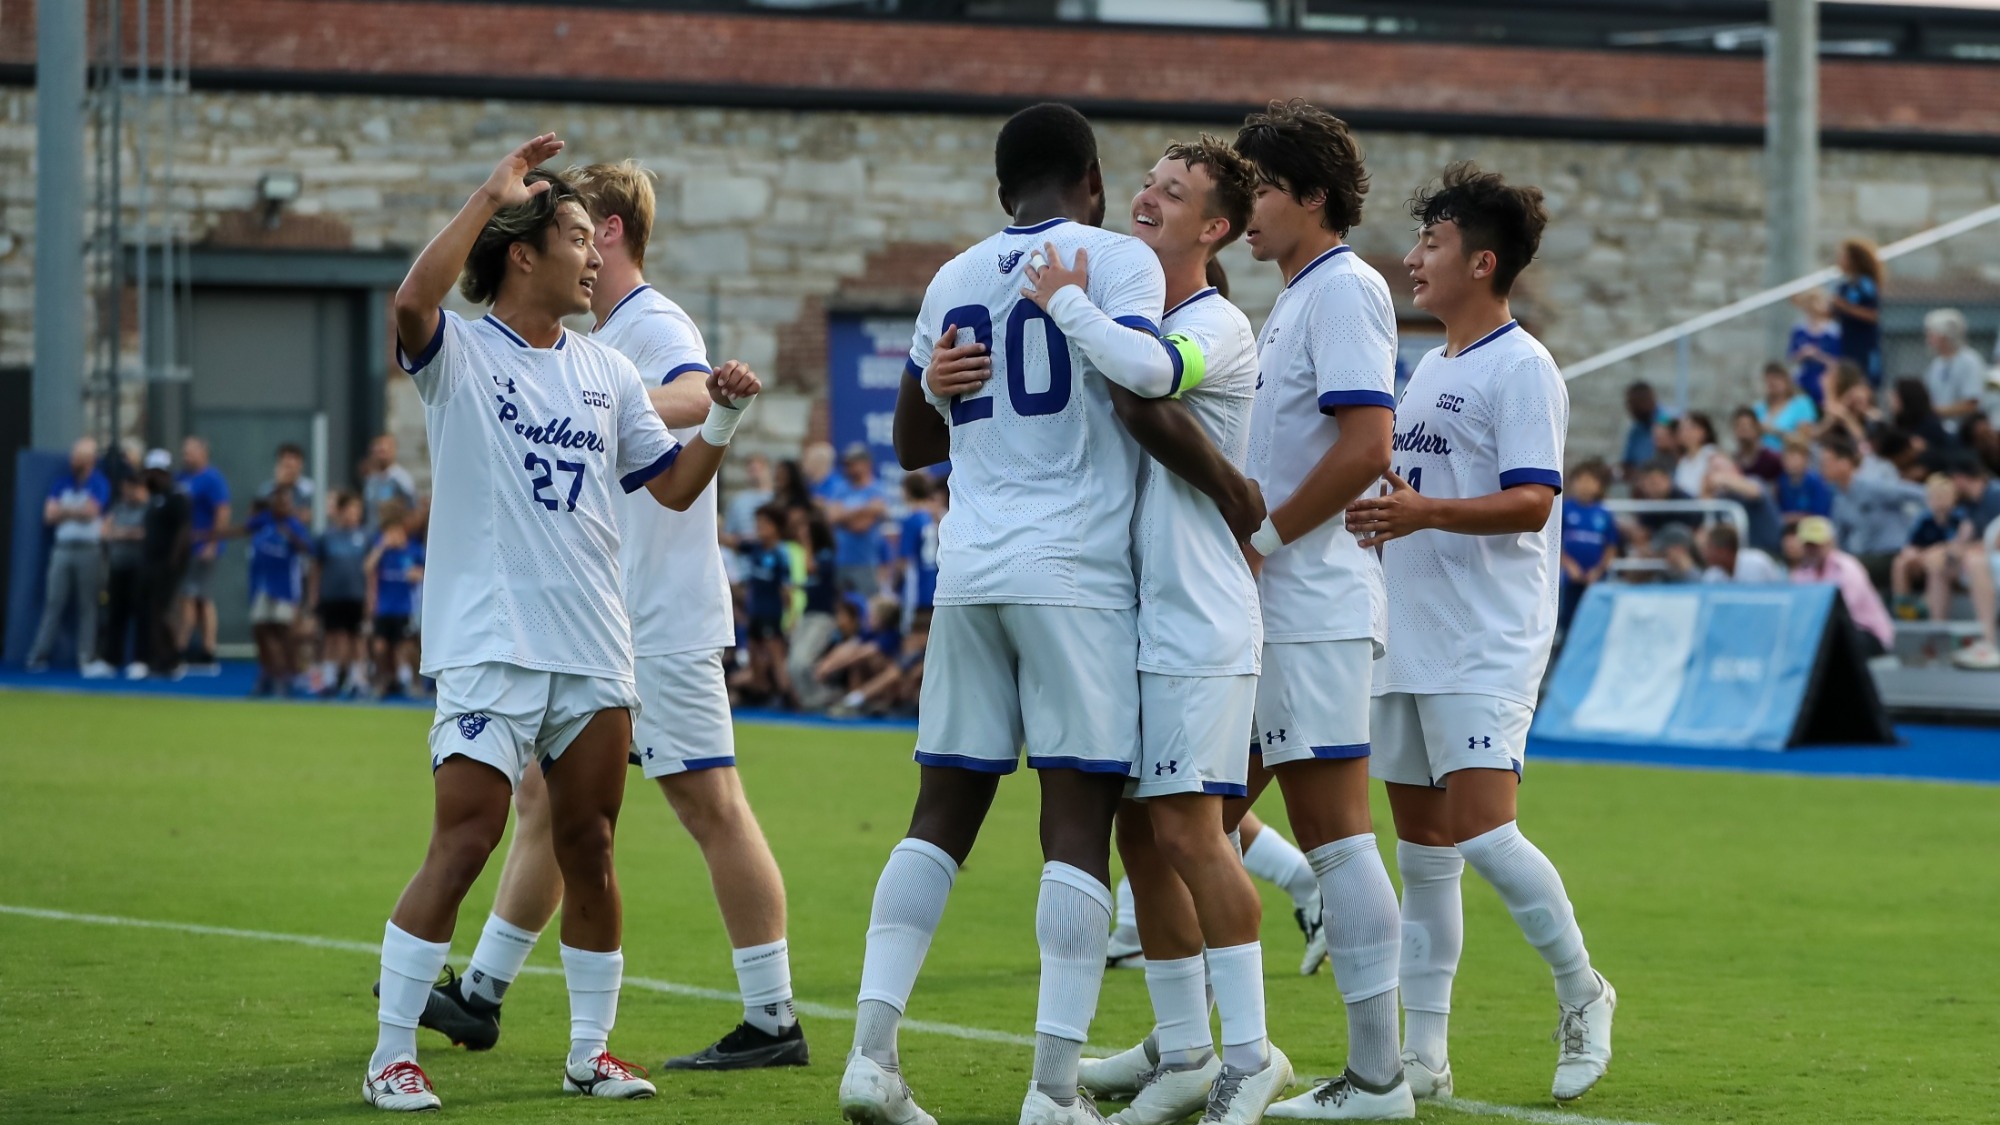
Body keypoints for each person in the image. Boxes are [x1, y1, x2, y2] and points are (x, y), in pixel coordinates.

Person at [363, 135, 752, 1111]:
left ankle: (589, 1053)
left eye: (593, 238)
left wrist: (725, 424)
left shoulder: (606, 371)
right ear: (521, 252)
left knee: (591, 847)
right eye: (576, 238)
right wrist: (485, 192)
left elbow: (670, 489)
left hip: (593, 648)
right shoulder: (459, 354)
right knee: (465, 840)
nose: (593, 256)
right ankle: (390, 1055)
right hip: (491, 643)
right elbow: (411, 305)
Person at [839, 102, 1202, 1125]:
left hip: (969, 572)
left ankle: (870, 1057)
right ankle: (1050, 1091)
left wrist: (935, 381)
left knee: (938, 816)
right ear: (1088, 179)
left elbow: (914, 441)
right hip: (1074, 573)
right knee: (1076, 823)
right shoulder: (1114, 258)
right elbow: (1138, 394)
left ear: (1002, 190)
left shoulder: (952, 275)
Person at [1019, 135, 1287, 1125]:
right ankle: (1180, 1054)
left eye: (1172, 194)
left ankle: (1249, 1057)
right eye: (1148, 184)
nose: (1145, 199)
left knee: (1187, 828)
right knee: (1138, 830)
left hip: (1197, 617)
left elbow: (1142, 377)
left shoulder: (1215, 323)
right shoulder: (1130, 306)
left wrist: (1064, 300)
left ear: (1214, 228)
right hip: (1127, 619)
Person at [1346, 161, 1616, 1107]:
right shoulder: (1429, 368)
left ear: (1483, 260)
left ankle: (1584, 989)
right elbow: (1415, 490)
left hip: (1485, 638)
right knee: (1424, 854)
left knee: (1484, 829)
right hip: (1409, 633)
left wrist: (1424, 518)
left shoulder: (1523, 364)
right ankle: (1425, 1055)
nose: (1413, 258)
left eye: (1433, 242)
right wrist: (1379, 515)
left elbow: (1535, 501)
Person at [26, 436, 115, 677]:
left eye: (79, 455)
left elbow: (92, 512)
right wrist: (76, 511)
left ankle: (86, 659)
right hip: (62, 549)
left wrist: (64, 511)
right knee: (53, 602)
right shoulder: (61, 482)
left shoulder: (99, 482)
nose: (73, 459)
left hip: (89, 550)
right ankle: (38, 655)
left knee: (88, 605)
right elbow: (49, 515)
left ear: (91, 459)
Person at [1819, 435, 1927, 589]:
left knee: (1853, 570)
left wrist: (1922, 535)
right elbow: (1839, 538)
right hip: (1865, 554)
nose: (1822, 468)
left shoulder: (1872, 486)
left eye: (1827, 462)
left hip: (1891, 553)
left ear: (1844, 463)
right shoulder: (1839, 500)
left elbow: (1918, 493)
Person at [241, 485, 313, 696]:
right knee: (260, 629)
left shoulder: (294, 525)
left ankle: (285, 676)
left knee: (284, 633)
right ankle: (267, 672)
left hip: (284, 588)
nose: (282, 505)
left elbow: (308, 549)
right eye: (278, 501)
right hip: (261, 585)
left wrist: (290, 534)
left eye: (286, 501)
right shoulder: (264, 521)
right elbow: (246, 526)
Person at [1792, 516, 1895, 656]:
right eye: (1808, 545)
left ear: (1830, 543)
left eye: (1817, 544)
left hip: (1865, 632)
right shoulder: (1801, 574)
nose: (1812, 549)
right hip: (1828, 633)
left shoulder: (1847, 568)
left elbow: (1844, 609)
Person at [174, 435, 230, 673]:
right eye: (184, 451)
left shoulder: (212, 479)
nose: (186, 456)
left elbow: (223, 511)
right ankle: (188, 647)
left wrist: (212, 543)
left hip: (203, 546)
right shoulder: (181, 478)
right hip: (184, 548)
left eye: (190, 451)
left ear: (203, 453)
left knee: (199, 597)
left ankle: (203, 647)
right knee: (188, 597)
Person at [137, 450, 193, 680]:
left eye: (152, 472)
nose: (149, 476)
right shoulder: (154, 498)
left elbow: (183, 530)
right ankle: (158, 659)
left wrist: (173, 562)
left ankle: (172, 659)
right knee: (152, 612)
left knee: (163, 612)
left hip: (166, 565)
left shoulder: (176, 496)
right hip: (150, 563)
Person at [733, 504, 793, 705]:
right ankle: (762, 692)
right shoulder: (755, 549)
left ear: (776, 527)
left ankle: (788, 697)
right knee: (754, 656)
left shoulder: (780, 554)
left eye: (764, 524)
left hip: (771, 613)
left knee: (776, 657)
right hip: (755, 613)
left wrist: (790, 617)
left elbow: (786, 590)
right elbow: (731, 542)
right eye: (758, 523)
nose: (759, 527)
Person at [313, 492, 372, 698]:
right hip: (332, 595)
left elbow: (371, 571)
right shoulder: (326, 537)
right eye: (349, 510)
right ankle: (329, 679)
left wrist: (370, 599)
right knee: (332, 638)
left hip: (356, 595)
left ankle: (357, 680)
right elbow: (316, 569)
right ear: (340, 511)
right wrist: (314, 596)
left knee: (356, 638)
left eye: (357, 511)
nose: (353, 515)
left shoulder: (365, 537)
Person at [366, 504, 425, 699]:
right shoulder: (383, 552)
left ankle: (415, 683)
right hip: (384, 608)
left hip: (406, 608)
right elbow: (367, 568)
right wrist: (381, 547)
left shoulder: (413, 550)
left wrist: (418, 574)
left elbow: (428, 572)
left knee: (406, 648)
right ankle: (383, 681)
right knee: (380, 647)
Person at [823, 443, 894, 596]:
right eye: (847, 465)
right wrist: (864, 509)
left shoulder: (877, 489)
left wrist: (844, 516)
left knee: (867, 612)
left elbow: (862, 526)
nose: (848, 469)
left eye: (853, 464)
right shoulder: (840, 489)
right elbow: (831, 517)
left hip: (867, 564)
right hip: (841, 562)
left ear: (866, 464)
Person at [1558, 459, 1618, 633]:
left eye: (1590, 481)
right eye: (1580, 480)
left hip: (1595, 578)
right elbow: (1555, 543)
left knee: (1594, 621)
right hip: (1571, 577)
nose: (1585, 485)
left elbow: (1611, 546)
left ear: (1599, 486)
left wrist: (1598, 571)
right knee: (1568, 620)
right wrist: (1569, 566)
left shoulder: (1604, 513)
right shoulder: (1565, 509)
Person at [101, 472, 151, 675]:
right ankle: (111, 660)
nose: (129, 492)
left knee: (141, 615)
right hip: (118, 567)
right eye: (126, 487)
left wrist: (122, 533)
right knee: (115, 614)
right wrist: (126, 533)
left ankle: (141, 660)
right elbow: (105, 531)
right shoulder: (119, 507)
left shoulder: (149, 509)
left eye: (134, 487)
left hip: (139, 568)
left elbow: (145, 533)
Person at [1830, 238, 1884, 389]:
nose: (1839, 260)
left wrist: (1845, 306)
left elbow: (1872, 315)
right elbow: (1833, 314)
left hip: (1864, 347)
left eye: (1842, 257)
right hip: (1847, 347)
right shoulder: (1844, 286)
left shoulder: (1865, 284)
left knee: (1865, 385)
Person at [1923, 308, 1986, 435]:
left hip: (1964, 432)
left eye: (1932, 334)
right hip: (1940, 430)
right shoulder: (1937, 364)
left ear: (1945, 336)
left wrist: (1934, 411)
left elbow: (1972, 404)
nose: (1928, 339)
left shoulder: (1970, 361)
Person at [896, 471, 941, 637]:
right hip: (935, 580)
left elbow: (904, 559)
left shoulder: (911, 519)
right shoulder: (935, 517)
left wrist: (895, 582)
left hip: (916, 584)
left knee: (913, 634)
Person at [1786, 290, 1841, 407]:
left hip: (1825, 381)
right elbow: (1791, 357)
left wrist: (1817, 355)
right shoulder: (1799, 329)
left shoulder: (1833, 331)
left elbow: (1837, 362)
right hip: (1802, 379)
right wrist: (1803, 354)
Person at [360, 433, 419, 532]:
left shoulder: (402, 479)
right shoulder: (371, 480)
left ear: (393, 451)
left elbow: (413, 508)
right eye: (377, 451)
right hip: (373, 535)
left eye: (383, 451)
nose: (380, 456)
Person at [1753, 362, 1817, 449]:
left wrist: (1774, 432)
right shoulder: (1758, 408)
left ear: (1786, 380)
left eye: (1777, 379)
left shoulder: (1801, 403)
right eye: (1769, 381)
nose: (1773, 384)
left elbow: (1805, 438)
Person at [1775, 437, 1835, 527]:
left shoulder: (1816, 482)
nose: (1790, 462)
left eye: (1794, 458)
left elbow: (1821, 516)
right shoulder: (1781, 481)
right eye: (1787, 457)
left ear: (1805, 459)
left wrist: (1792, 518)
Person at [721, 452, 774, 549]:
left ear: (767, 470)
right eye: (752, 470)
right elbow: (728, 533)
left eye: (758, 470)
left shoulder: (775, 498)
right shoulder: (738, 501)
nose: (755, 474)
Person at [1699, 522, 1784, 583]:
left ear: (1724, 550)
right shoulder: (1712, 575)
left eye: (1709, 548)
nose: (1704, 553)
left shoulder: (1756, 564)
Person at [1619, 381, 1665, 482]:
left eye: (1632, 404)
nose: (1630, 409)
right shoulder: (1636, 429)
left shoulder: (1665, 419)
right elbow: (1628, 462)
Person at [1672, 412, 1722, 499]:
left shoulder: (1712, 455)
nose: (1685, 433)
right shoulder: (1683, 461)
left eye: (1690, 428)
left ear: (1703, 431)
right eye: (1682, 429)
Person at [258, 441, 319, 512]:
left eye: (293, 467)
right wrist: (279, 486)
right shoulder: (267, 490)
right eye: (287, 466)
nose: (289, 472)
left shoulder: (310, 490)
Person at [1729, 407, 1783, 482]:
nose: (1744, 429)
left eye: (1748, 425)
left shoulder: (1772, 460)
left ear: (1757, 428)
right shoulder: (1733, 461)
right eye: (1740, 425)